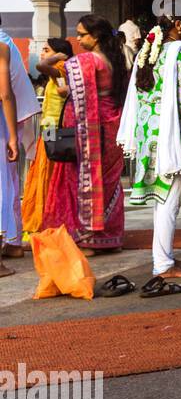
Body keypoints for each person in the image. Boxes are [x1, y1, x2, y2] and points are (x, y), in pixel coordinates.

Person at [117, 16, 181, 283]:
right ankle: (162, 265)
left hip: (148, 135)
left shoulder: (147, 52)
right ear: (177, 25)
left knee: (162, 200)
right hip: (170, 136)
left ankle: (163, 255)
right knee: (170, 201)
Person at [38, 15, 130, 257]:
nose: (77, 39)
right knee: (109, 183)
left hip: (91, 130)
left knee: (84, 180)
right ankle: (110, 237)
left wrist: (56, 56)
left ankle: (89, 237)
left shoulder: (88, 61)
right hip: (112, 127)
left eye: (81, 34)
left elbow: (44, 69)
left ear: (96, 36)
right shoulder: (114, 60)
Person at [20, 38, 73, 237]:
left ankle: (45, 218)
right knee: (44, 171)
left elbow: (40, 66)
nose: (42, 53)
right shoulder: (60, 70)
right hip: (50, 126)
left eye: (46, 49)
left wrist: (55, 59)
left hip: (54, 128)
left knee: (47, 172)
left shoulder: (59, 67)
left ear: (59, 52)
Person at [0, 22, 39, 277]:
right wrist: (13, 136)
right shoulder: (3, 46)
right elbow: (5, 94)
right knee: (3, 184)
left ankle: (11, 243)